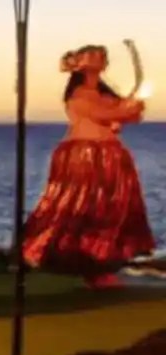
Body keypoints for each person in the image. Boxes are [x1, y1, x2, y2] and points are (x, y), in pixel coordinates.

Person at [23, 45, 153, 288]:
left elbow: (126, 116)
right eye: (95, 56)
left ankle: (102, 266)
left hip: (111, 156)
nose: (102, 60)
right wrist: (125, 110)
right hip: (85, 156)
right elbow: (103, 115)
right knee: (84, 209)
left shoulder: (105, 94)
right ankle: (80, 262)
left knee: (112, 211)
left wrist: (130, 110)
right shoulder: (79, 96)